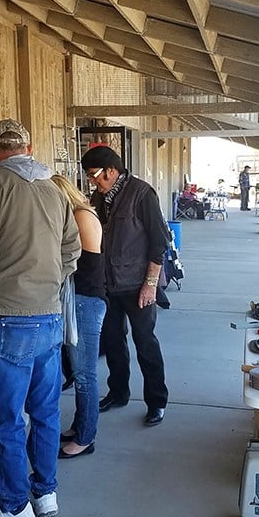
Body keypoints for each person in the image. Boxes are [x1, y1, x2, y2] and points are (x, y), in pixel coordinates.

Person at [0, 119, 81, 517]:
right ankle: (45, 492)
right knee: (45, 411)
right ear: (28, 148)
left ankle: (13, 507)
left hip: (9, 317)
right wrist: (49, 283)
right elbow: (72, 248)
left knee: (7, 418)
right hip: (49, 316)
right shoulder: (53, 188)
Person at [80, 145, 169, 427]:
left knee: (145, 343)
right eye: (89, 177)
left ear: (111, 170)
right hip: (107, 286)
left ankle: (156, 401)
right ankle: (118, 393)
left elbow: (159, 243)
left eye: (95, 175)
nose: (92, 181)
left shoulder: (142, 194)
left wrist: (150, 285)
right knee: (113, 343)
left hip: (137, 285)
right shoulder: (98, 197)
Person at [50, 174, 106, 458]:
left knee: (85, 375)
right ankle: (79, 426)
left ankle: (86, 438)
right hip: (79, 300)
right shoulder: (74, 216)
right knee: (78, 370)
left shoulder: (81, 217)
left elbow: (81, 264)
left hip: (84, 301)